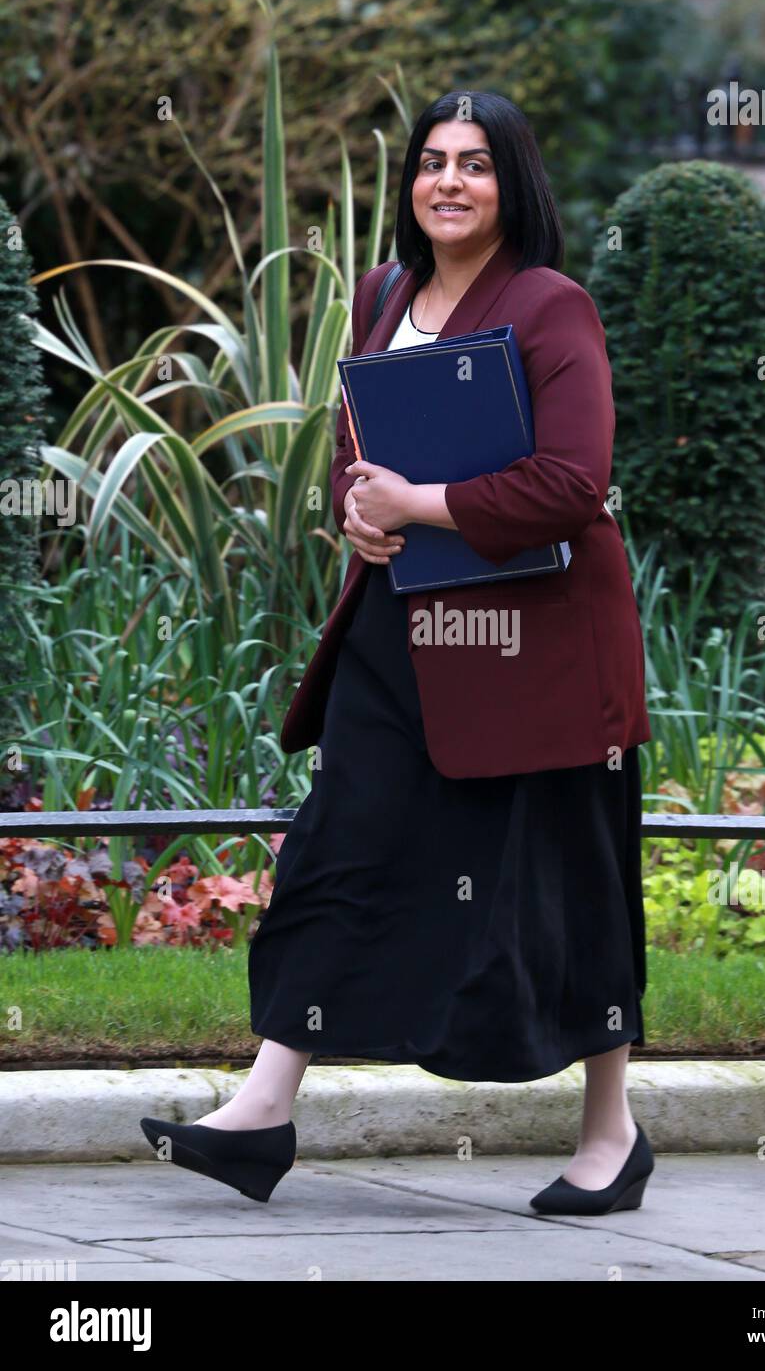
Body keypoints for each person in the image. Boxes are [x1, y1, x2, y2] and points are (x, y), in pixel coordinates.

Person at [140, 90, 655, 1217]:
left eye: (474, 164)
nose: (449, 182)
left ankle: (610, 1134)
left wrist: (420, 500)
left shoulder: (548, 305)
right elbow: (355, 443)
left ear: (509, 182)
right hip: (399, 625)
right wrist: (358, 511)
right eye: (431, 162)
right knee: (338, 841)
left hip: (541, 644)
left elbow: (574, 483)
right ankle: (262, 1111)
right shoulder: (385, 293)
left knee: (567, 881)